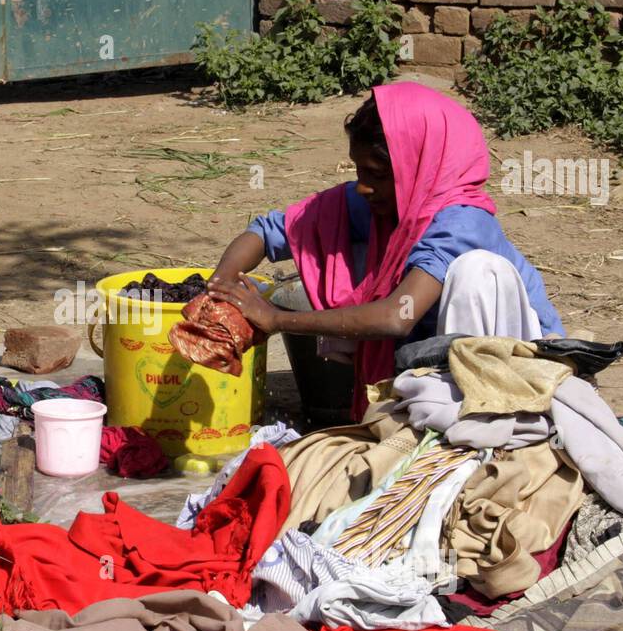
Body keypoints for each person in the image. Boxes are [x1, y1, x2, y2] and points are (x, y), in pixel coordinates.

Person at [206, 81, 563, 420]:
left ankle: (481, 418)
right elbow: (268, 232)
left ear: (415, 168)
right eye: (358, 170)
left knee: (475, 270)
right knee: (340, 239)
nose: (362, 187)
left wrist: (276, 319)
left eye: (375, 174)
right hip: (434, 354)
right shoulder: (388, 200)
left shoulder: (463, 222)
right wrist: (219, 289)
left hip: (515, 363)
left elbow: (397, 316)